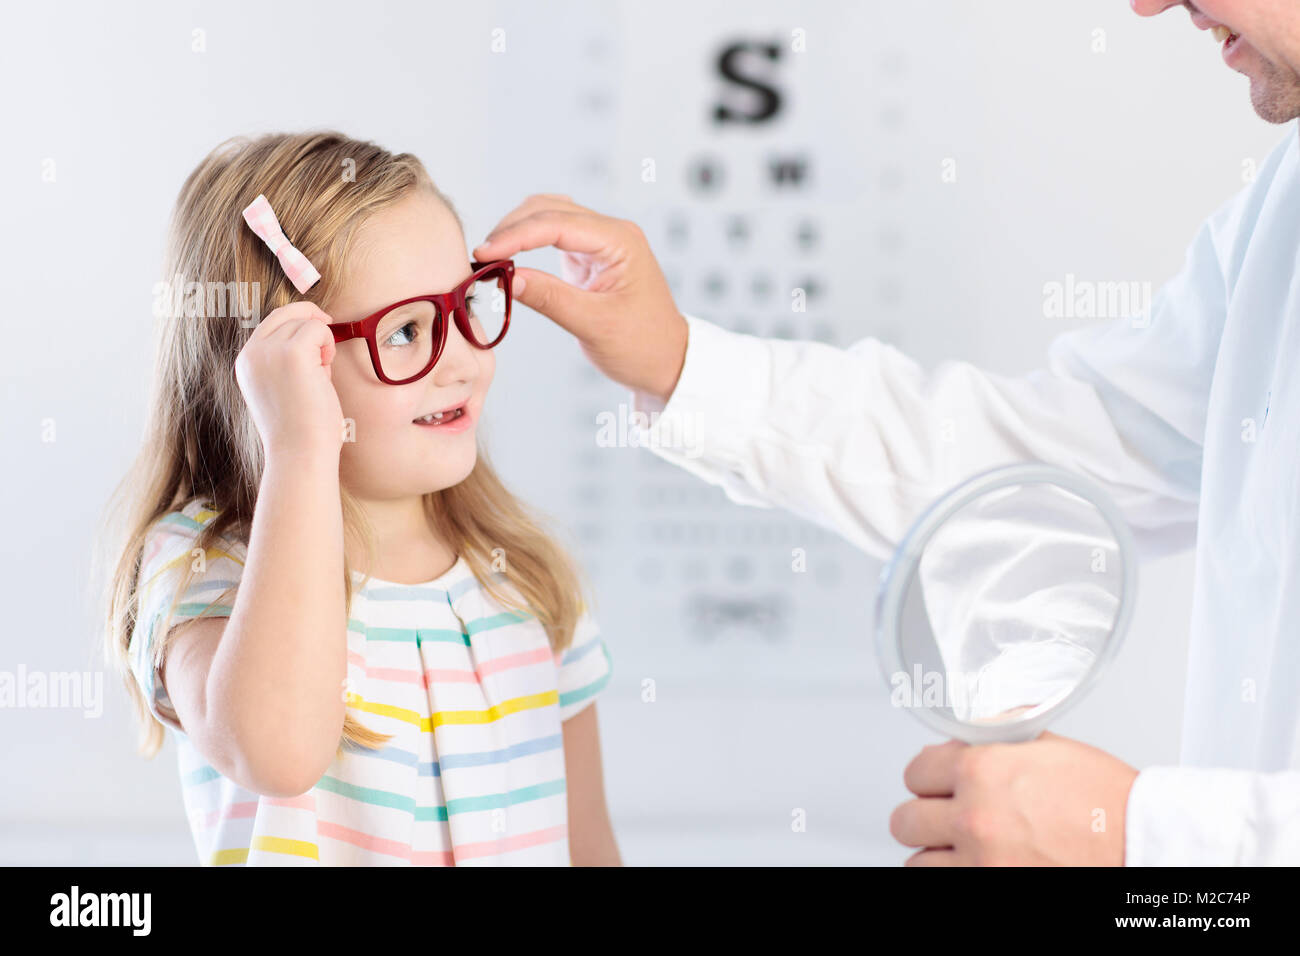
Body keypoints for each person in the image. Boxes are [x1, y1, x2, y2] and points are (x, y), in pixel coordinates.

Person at [469, 0, 1300, 865]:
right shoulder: (1279, 215)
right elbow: (1056, 460)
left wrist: (1143, 841)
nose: (1147, 3)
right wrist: (682, 363)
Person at [101, 131, 617, 866]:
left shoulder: (526, 576)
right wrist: (301, 449)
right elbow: (277, 753)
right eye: (406, 329)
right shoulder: (203, 570)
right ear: (276, 369)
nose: (465, 360)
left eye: (465, 305)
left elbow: (589, 844)